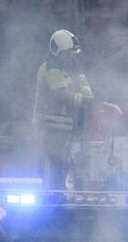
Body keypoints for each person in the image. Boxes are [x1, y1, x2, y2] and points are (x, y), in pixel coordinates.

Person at [32, 29, 93, 189]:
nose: (72, 57)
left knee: (72, 165)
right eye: (69, 53)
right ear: (58, 52)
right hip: (51, 129)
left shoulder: (73, 69)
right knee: (56, 165)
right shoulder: (50, 69)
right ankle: (55, 194)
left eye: (73, 53)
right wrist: (81, 98)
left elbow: (89, 94)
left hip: (70, 128)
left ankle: (68, 191)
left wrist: (80, 97)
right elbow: (62, 95)